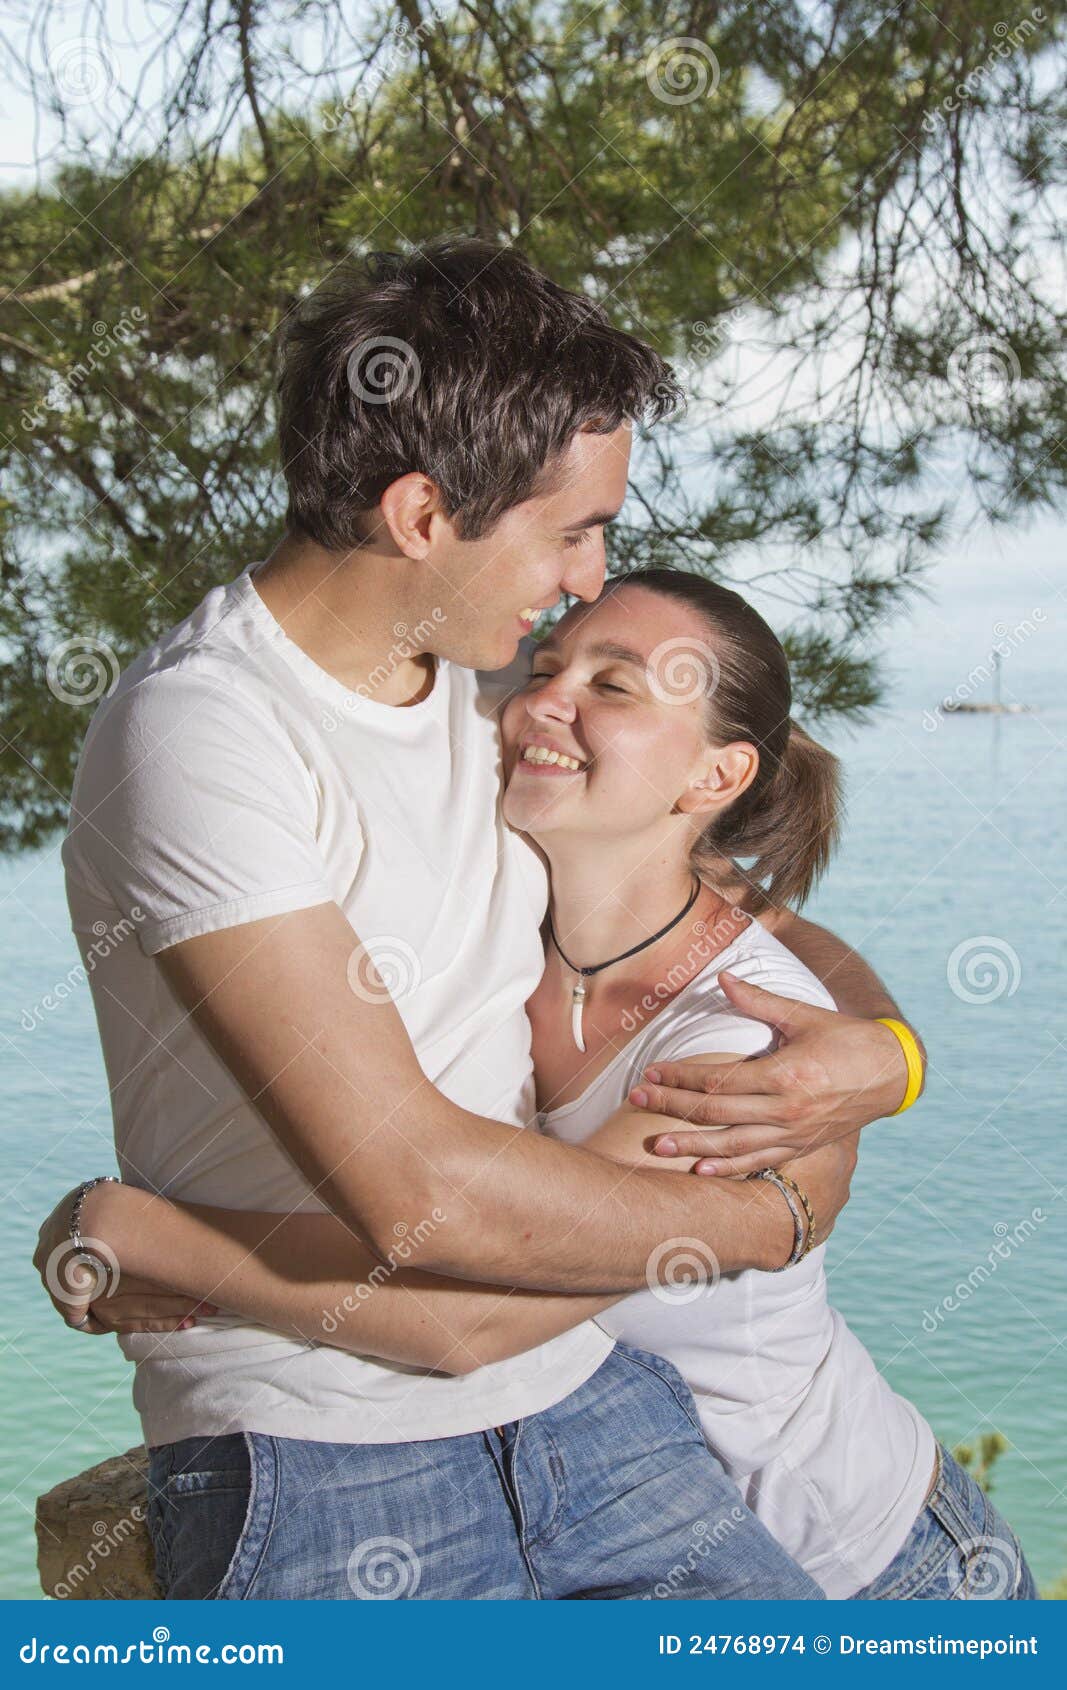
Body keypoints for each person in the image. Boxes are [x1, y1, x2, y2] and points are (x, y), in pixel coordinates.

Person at [38, 240, 923, 1600]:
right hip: (321, 1439)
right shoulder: (205, 735)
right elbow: (421, 1193)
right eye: (570, 531)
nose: (588, 575)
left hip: (591, 1394)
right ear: (417, 517)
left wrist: (875, 1053)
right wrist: (772, 1216)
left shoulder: (491, 681)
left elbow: (724, 908)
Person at [41, 569, 1036, 1600]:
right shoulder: (534, 924)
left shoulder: (733, 1056)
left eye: (616, 685)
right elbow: (769, 917)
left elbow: (469, 1319)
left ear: (710, 778)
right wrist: (889, 1056)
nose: (543, 700)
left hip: (873, 1562)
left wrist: (158, 1239)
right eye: (550, 664)